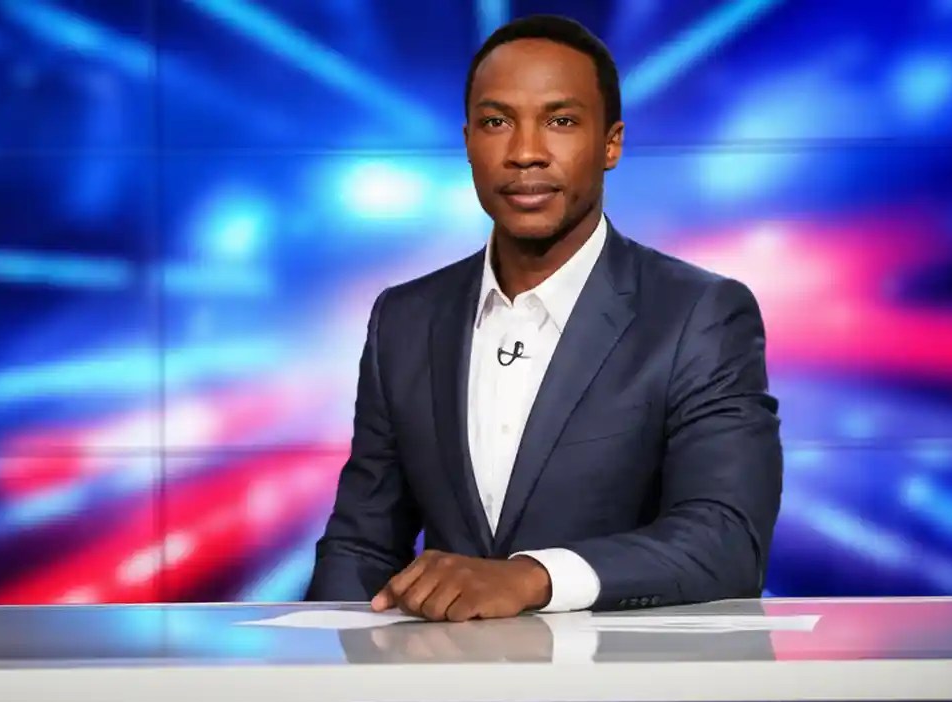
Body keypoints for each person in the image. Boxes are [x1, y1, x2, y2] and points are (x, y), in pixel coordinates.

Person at [304, 14, 783, 620]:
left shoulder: (699, 314)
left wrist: (534, 577)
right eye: (497, 122)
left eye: (560, 122)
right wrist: (321, 689)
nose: (525, 153)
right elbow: (361, 546)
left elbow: (725, 541)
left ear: (611, 143)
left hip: (626, 698)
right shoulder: (403, 318)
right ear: (468, 140)